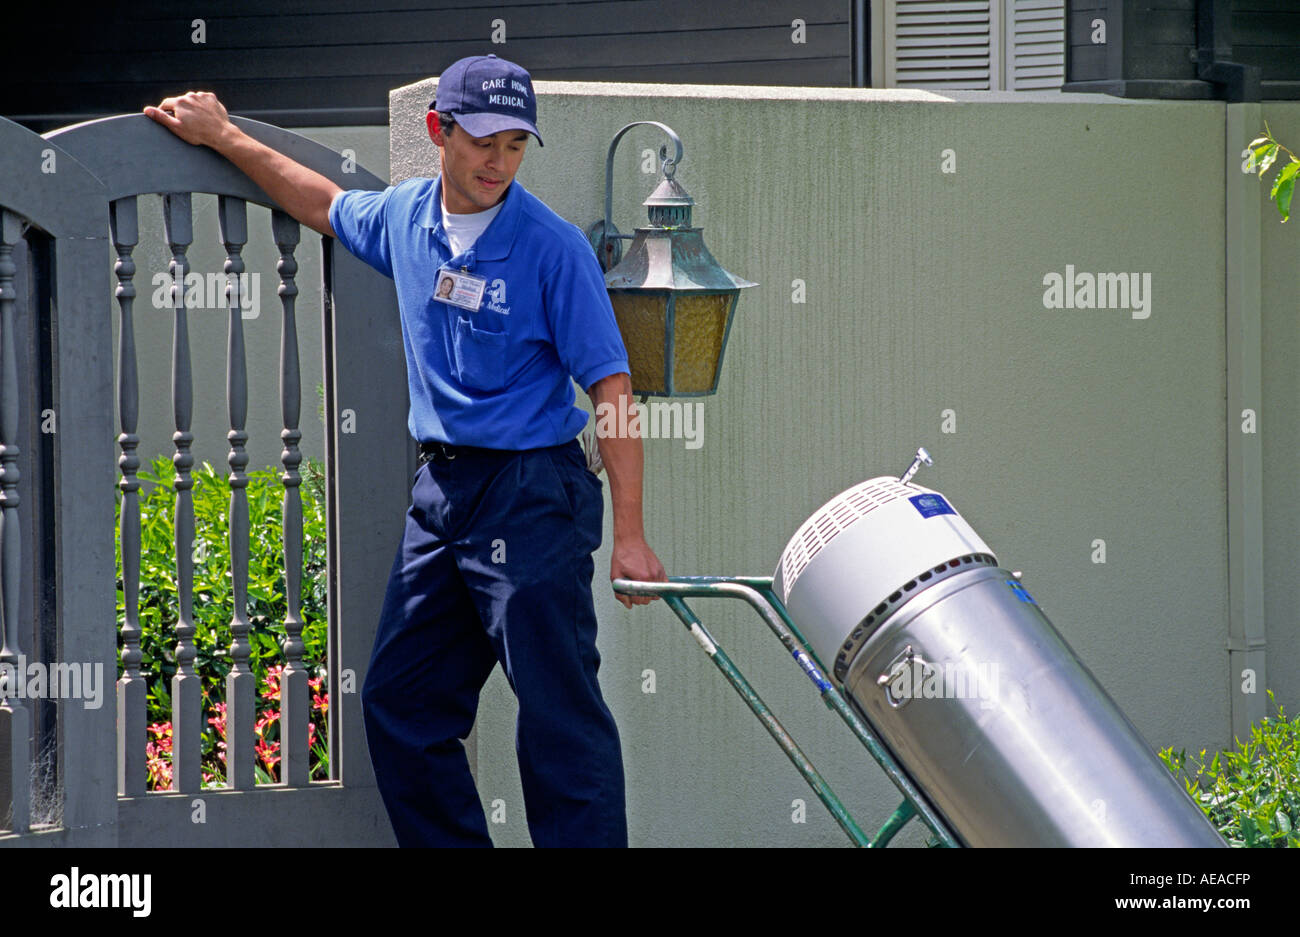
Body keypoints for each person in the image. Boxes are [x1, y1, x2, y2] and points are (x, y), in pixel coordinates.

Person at [143, 52, 667, 848]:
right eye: (483, 141)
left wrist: (629, 533)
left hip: (533, 494)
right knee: (400, 704)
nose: (498, 161)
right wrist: (225, 137)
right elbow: (320, 200)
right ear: (439, 132)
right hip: (443, 497)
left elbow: (613, 392)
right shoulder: (406, 219)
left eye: (516, 145)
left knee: (559, 718)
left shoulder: (551, 249)